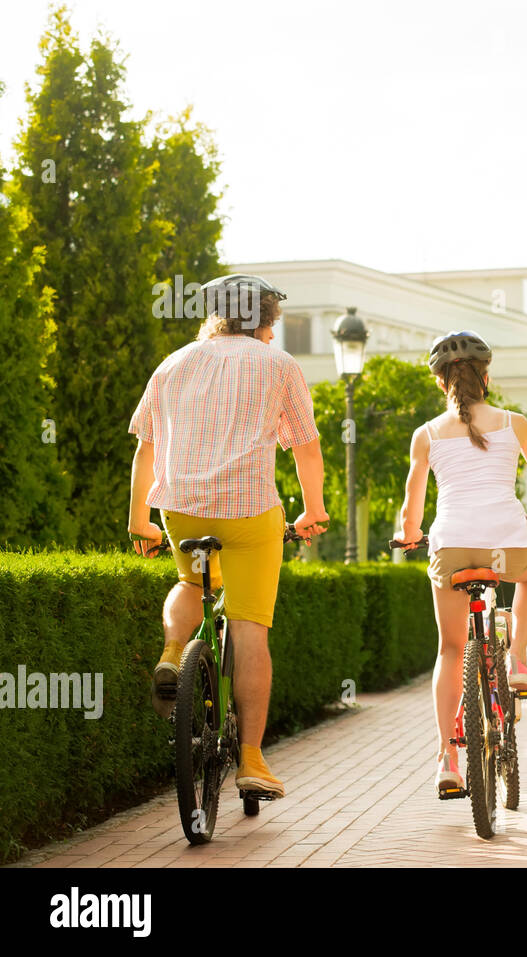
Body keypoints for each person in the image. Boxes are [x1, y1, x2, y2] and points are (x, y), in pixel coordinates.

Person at [128, 273, 329, 799]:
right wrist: (313, 510)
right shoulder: (278, 364)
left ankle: (173, 652)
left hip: (182, 511)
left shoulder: (173, 363)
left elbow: (145, 448)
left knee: (191, 582)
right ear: (266, 319)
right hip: (249, 515)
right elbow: (305, 447)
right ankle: (251, 761)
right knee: (249, 629)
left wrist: (138, 519)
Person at [395, 331, 527, 792]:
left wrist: (408, 534)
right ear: (485, 378)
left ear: (440, 383)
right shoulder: (515, 423)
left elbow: (412, 502)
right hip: (506, 544)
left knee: (451, 650)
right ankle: (519, 660)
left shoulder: (426, 434)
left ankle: (447, 758)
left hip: (451, 547)